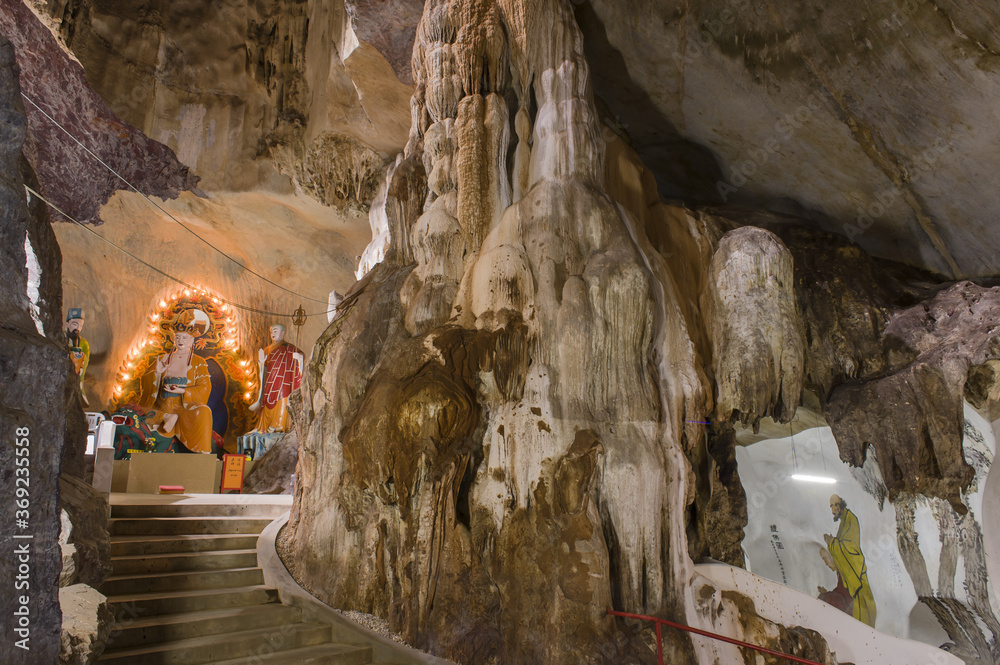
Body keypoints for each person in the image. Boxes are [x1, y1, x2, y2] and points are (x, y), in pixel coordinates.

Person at [138, 309, 214, 453]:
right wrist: (157, 373)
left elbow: (205, 387)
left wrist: (183, 390)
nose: (180, 341)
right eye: (177, 337)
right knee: (135, 411)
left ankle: (203, 454)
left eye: (184, 338)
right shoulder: (163, 358)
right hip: (162, 405)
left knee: (204, 412)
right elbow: (145, 386)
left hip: (183, 407)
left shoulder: (198, 362)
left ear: (192, 341)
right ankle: (167, 417)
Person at [824, 494, 877, 627]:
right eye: (831, 507)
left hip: (855, 578)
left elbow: (851, 550)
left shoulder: (851, 519)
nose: (832, 510)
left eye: (834, 506)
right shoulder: (844, 521)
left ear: (839, 505)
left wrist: (832, 543)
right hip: (847, 581)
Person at [249, 324, 303, 433]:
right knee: (266, 402)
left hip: (283, 383)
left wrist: (299, 358)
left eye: (275, 331)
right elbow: (262, 370)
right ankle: (263, 427)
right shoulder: (267, 350)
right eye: (271, 332)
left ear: (283, 333)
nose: (273, 334)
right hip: (269, 382)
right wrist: (261, 363)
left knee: (282, 400)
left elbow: (300, 356)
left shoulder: (290, 348)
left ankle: (279, 425)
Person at [817, 547, 853, 616]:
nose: (826, 563)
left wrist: (825, 596)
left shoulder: (844, 573)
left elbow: (843, 597)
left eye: (825, 558)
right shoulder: (840, 573)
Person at [66, 308, 90, 405]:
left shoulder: (83, 342)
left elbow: (86, 358)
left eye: (80, 325)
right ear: (68, 323)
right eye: (75, 324)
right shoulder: (62, 337)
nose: (78, 328)